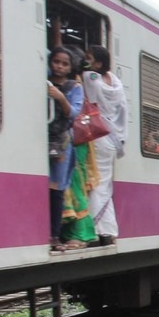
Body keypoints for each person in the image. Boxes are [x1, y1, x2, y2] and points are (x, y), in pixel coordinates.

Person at [52, 46, 98, 251]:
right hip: (56, 142)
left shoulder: (74, 87)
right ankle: (62, 233)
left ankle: (81, 232)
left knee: (72, 186)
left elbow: (73, 114)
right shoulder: (48, 81)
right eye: (56, 62)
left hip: (70, 143)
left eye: (65, 63)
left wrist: (60, 97)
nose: (59, 66)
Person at [81, 45, 127, 246]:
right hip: (113, 139)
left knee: (95, 184)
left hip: (97, 137)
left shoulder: (92, 79)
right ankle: (108, 230)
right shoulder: (115, 83)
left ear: (97, 63)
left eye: (89, 58)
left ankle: (95, 228)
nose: (86, 60)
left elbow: (83, 77)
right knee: (105, 186)